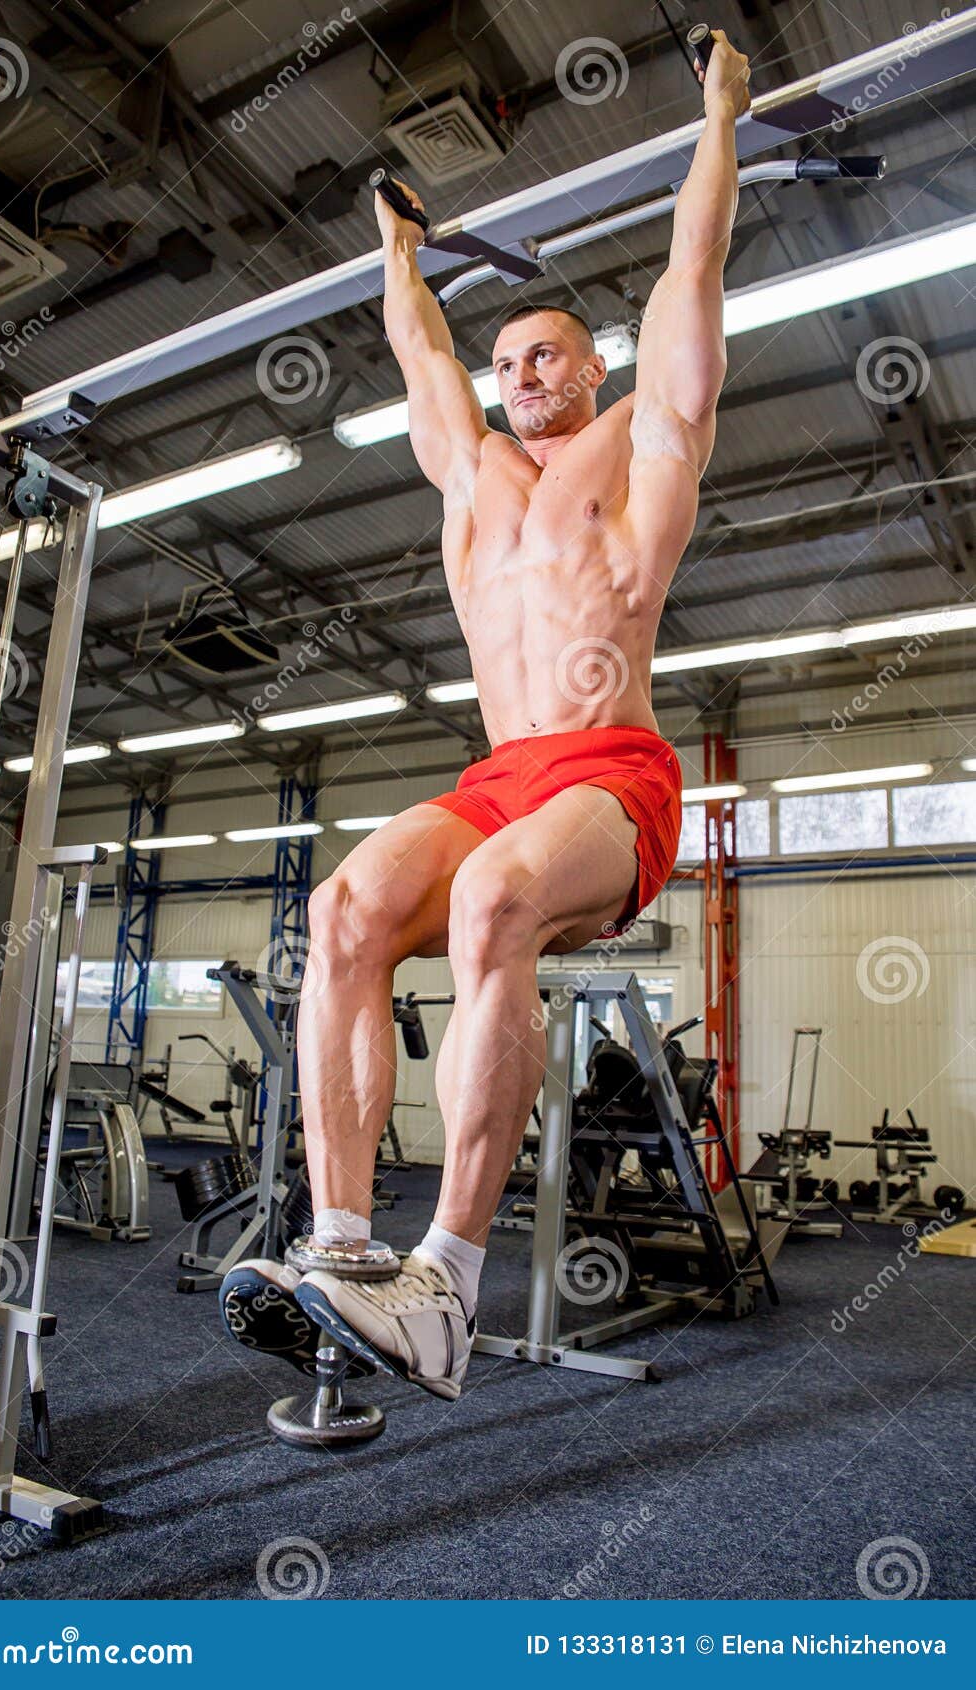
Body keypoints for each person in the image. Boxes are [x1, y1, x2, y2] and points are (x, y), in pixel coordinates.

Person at [221, 32, 751, 1400]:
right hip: (500, 770)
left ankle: (449, 1282)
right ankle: (344, 1251)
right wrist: (397, 248)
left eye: (550, 353)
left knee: (493, 901)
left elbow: (693, 280)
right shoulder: (473, 477)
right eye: (510, 353)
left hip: (608, 780)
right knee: (342, 913)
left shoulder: (641, 460)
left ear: (591, 369)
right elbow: (419, 348)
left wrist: (718, 117)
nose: (522, 369)